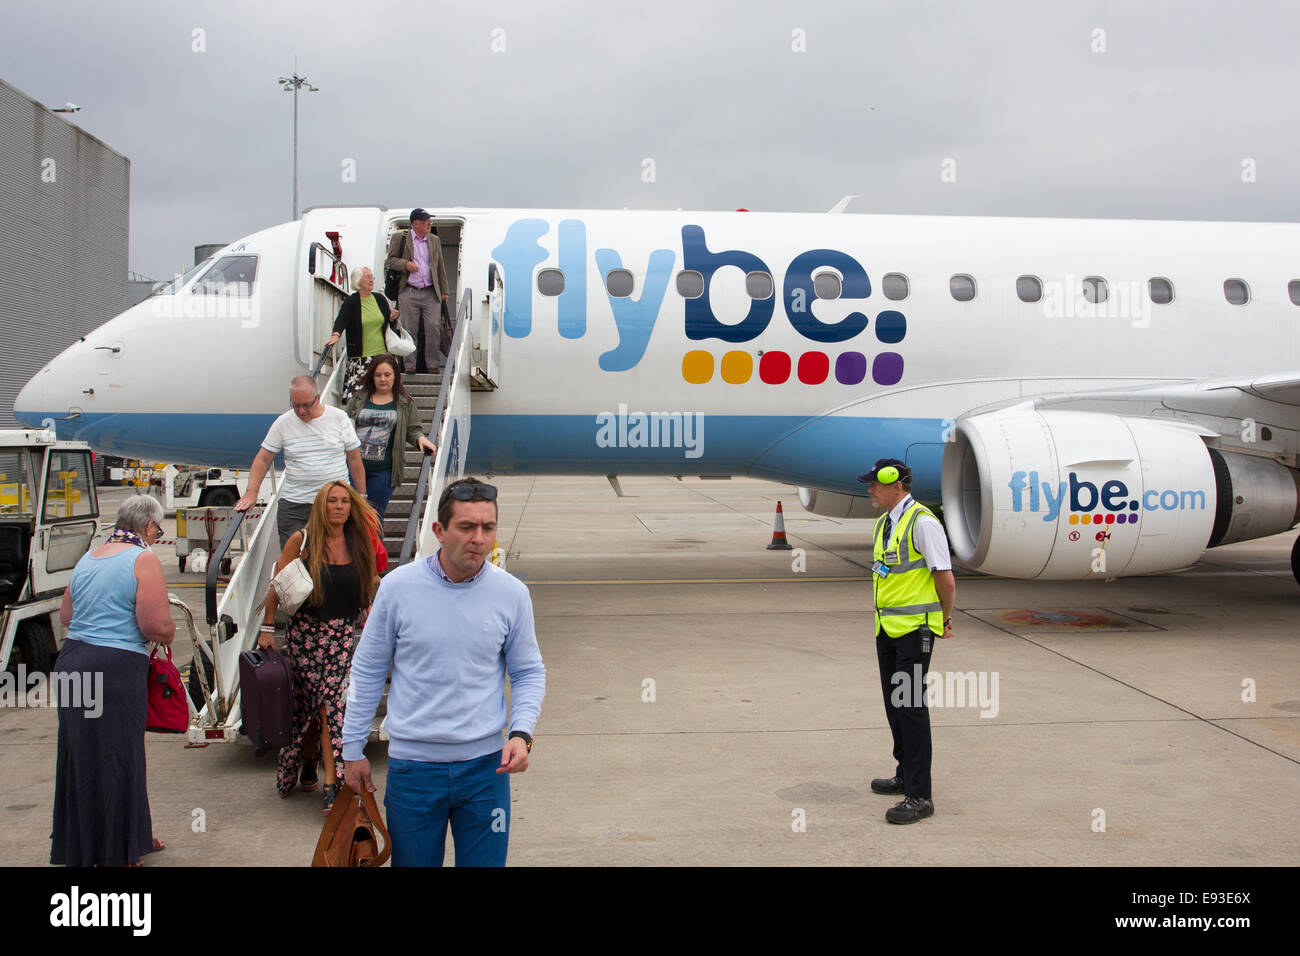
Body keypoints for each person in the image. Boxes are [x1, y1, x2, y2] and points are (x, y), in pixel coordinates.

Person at [343, 478, 545, 867]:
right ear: (439, 531)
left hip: (487, 770)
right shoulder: (398, 588)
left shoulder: (512, 593)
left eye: (488, 527)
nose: (479, 539)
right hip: (413, 772)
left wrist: (522, 734)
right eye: (467, 527)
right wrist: (351, 749)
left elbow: (528, 672)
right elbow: (368, 669)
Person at [52, 494, 175, 866]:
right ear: (150, 526)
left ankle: (89, 841)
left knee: (81, 755)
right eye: (159, 529)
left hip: (74, 660)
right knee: (119, 755)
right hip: (114, 668)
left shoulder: (89, 557)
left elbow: (67, 616)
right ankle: (120, 846)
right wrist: (169, 633)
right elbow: (153, 625)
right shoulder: (143, 558)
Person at [258, 481, 379, 814]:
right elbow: (278, 585)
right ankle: (307, 762)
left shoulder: (358, 542)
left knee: (331, 708)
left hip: (340, 637)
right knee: (306, 710)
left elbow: (365, 582)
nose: (339, 507)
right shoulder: (303, 540)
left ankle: (333, 785)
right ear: (321, 507)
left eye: (344, 501)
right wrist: (268, 627)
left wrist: (369, 610)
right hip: (306, 637)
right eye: (332, 501)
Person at [859, 458, 957, 825]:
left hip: (916, 630)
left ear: (896, 486)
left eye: (875, 484)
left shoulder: (924, 523)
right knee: (894, 703)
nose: (870, 490)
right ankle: (904, 773)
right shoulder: (884, 523)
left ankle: (920, 795)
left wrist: (943, 619)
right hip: (887, 628)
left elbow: (945, 579)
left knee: (911, 706)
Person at [235, 375, 366, 548]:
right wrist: (252, 492)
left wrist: (362, 496)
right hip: (295, 506)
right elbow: (263, 458)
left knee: (334, 558)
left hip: (334, 504)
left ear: (318, 399)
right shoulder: (283, 422)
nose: (301, 411)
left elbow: (354, 459)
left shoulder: (339, 418)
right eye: (296, 405)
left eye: (306, 405)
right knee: (294, 562)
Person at [344, 355, 437, 519]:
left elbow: (413, 429)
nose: (382, 379)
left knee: (374, 517)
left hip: (383, 472)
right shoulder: (358, 399)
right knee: (350, 517)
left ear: (395, 376)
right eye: (378, 375)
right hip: (353, 469)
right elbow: (344, 426)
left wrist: (420, 438)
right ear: (372, 376)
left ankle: (374, 546)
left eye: (387, 375)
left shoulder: (405, 402)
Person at [385, 208, 450, 375]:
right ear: (415, 224)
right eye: (425, 222)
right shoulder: (400, 238)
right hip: (409, 291)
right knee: (409, 329)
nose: (429, 224)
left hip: (430, 291)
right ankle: (409, 365)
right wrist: (406, 265)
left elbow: (440, 266)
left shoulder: (434, 240)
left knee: (433, 328)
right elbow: (390, 261)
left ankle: (433, 365)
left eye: (430, 222)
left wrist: (444, 290)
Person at [324, 266, 401, 401]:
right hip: (360, 359)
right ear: (358, 281)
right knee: (355, 398)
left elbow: (386, 320)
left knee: (383, 395)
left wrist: (392, 317)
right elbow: (342, 320)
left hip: (382, 356)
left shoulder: (379, 299)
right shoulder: (351, 302)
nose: (371, 280)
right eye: (368, 277)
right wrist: (336, 334)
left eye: (372, 277)